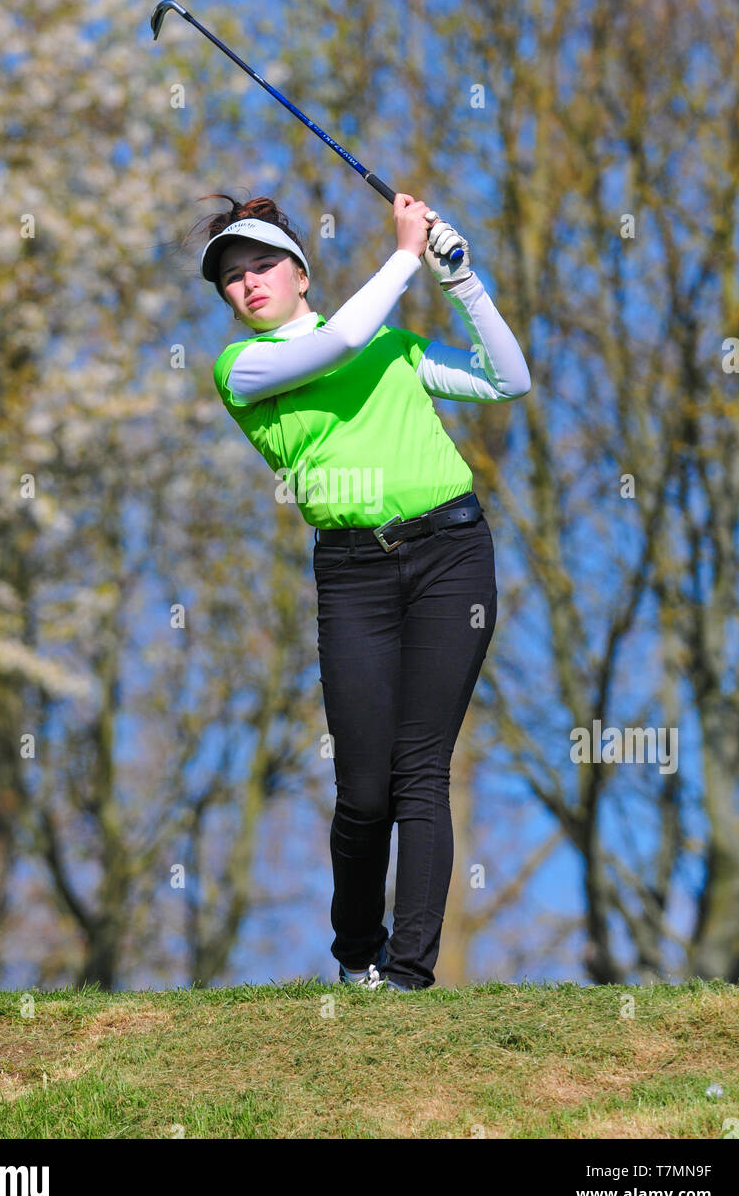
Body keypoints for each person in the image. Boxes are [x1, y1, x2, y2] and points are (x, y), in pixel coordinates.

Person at [199, 190, 531, 990]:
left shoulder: (389, 343)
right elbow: (340, 340)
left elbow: (508, 379)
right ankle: (357, 955)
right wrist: (407, 251)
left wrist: (460, 282)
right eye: (232, 278)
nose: (248, 284)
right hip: (353, 576)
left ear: (300, 272)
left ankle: (410, 978)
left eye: (263, 265)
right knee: (362, 790)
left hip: (451, 553)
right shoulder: (243, 368)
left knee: (421, 769)